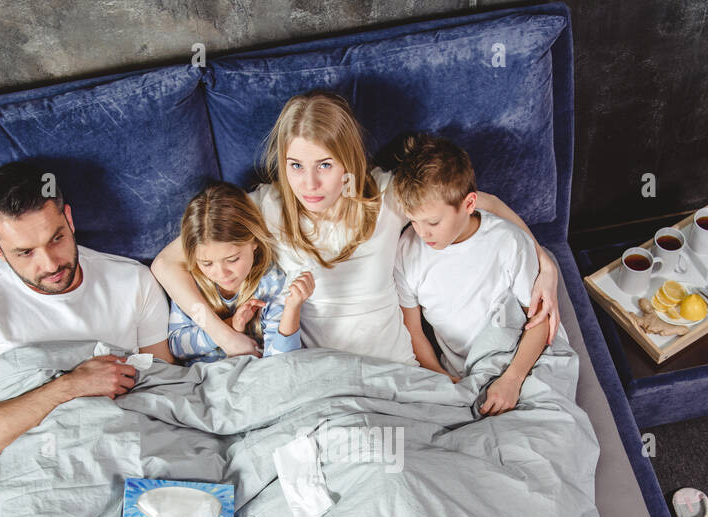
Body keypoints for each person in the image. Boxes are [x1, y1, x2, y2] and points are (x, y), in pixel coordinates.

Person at [152, 91, 561, 366]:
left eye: (324, 165)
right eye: (296, 166)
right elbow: (166, 263)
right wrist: (219, 332)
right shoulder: (266, 208)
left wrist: (547, 267)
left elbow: (482, 203)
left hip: (394, 366)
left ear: (348, 161)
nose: (308, 185)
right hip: (321, 372)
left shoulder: (386, 195)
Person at [0, 162, 173, 462]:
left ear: (69, 220)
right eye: (25, 252)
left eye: (56, 238)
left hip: (127, 447)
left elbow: (167, 387)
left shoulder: (134, 281)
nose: (50, 264)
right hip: (35, 462)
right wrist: (72, 385)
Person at [392, 134, 546, 415]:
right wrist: (440, 376)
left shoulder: (508, 242)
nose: (422, 232)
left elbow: (539, 321)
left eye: (433, 222)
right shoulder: (407, 250)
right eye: (413, 220)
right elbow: (412, 330)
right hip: (456, 374)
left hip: (513, 359)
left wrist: (512, 379)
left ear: (469, 204)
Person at [166, 181, 310, 365]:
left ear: (254, 241)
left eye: (232, 259)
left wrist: (292, 308)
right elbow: (177, 345)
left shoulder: (271, 282)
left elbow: (280, 359)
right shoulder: (191, 282)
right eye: (207, 263)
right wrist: (230, 325)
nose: (221, 273)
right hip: (203, 379)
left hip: (252, 376)